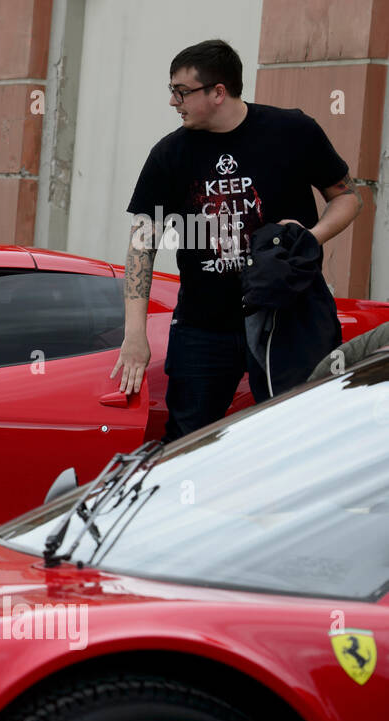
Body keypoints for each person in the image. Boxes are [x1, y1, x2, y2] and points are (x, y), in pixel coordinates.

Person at [113, 38, 361, 441]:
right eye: (171, 91)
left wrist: (309, 238)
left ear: (218, 92)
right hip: (203, 325)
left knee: (299, 434)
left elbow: (348, 197)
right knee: (187, 443)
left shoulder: (292, 130)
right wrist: (135, 334)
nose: (173, 102)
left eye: (181, 91)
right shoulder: (169, 154)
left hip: (289, 315)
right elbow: (143, 243)